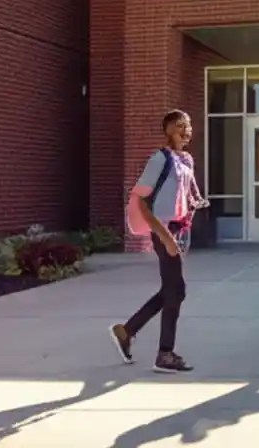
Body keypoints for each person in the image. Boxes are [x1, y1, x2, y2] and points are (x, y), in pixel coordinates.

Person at [109, 109, 205, 374]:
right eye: (179, 126)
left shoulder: (186, 159)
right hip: (163, 228)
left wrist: (196, 203)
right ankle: (164, 354)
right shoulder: (159, 159)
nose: (186, 130)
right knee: (177, 289)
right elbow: (140, 199)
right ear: (167, 130)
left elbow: (188, 192)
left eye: (188, 125)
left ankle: (127, 331)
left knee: (173, 289)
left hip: (179, 228)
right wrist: (165, 237)